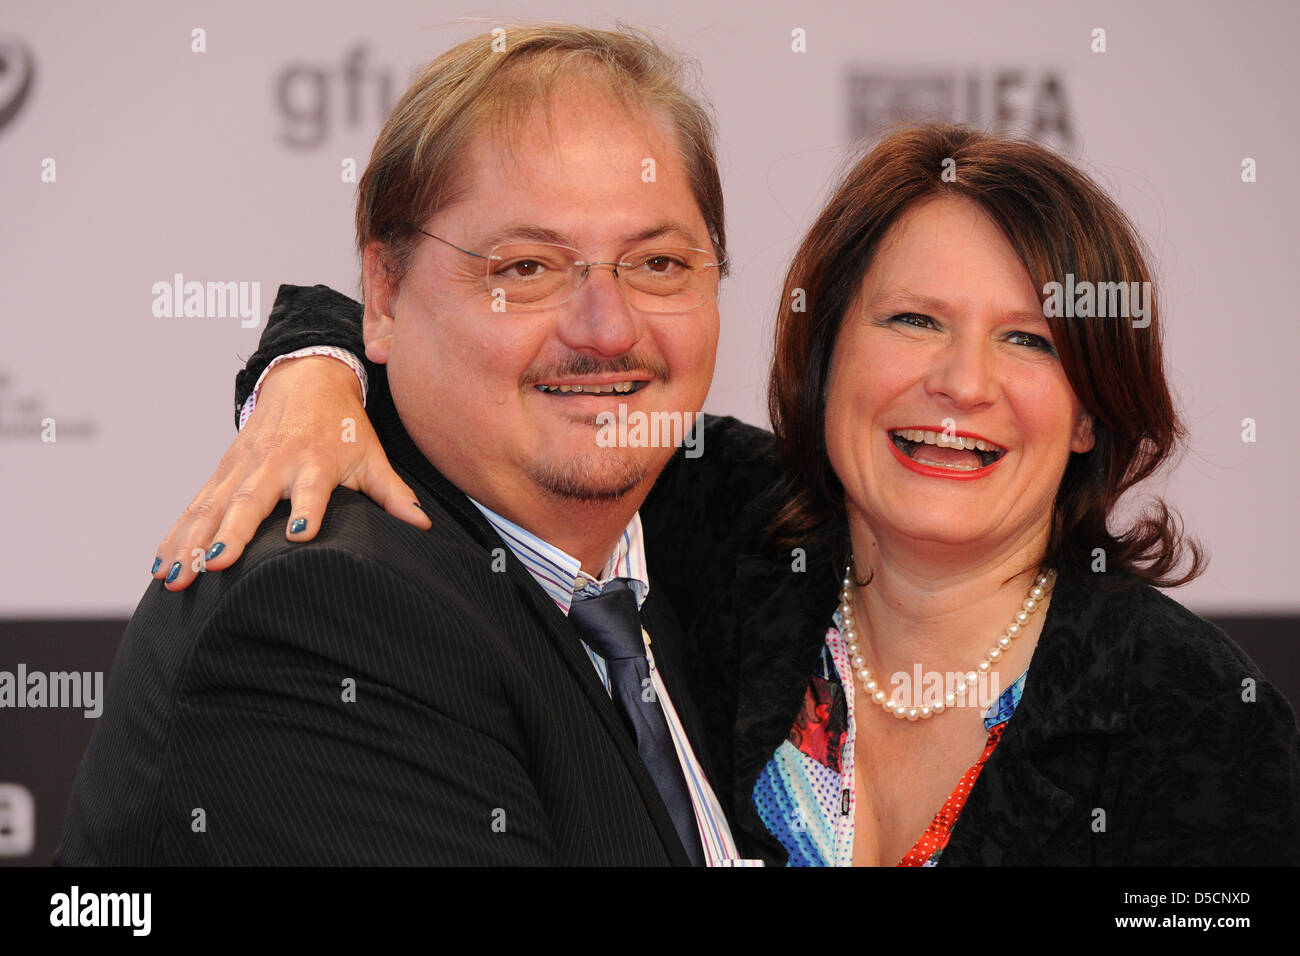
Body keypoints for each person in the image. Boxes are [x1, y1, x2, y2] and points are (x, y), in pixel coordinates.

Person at [139, 128, 1300, 863]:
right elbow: (488, 364)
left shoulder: (1194, 716)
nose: (962, 384)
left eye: (1028, 341)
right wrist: (316, 376)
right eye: (911, 321)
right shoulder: (722, 523)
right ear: (823, 350)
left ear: (1092, 403)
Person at [56, 24, 750, 866]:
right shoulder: (323, 616)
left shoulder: (685, 537)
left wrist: (312, 352)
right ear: (384, 294)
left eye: (659, 264)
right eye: (525, 268)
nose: (607, 328)